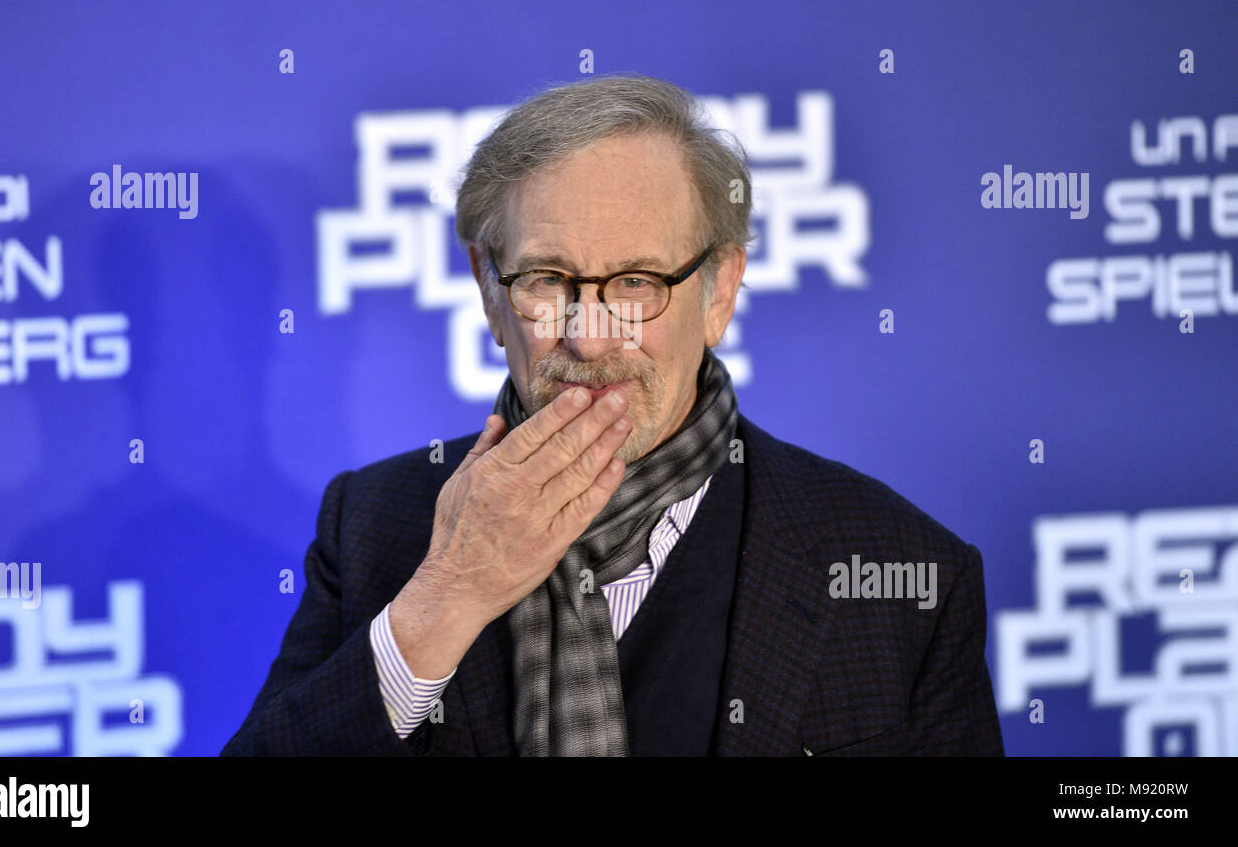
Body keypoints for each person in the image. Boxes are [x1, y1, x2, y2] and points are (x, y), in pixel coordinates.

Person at [222, 74, 1005, 757]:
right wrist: (448, 595)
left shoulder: (905, 573)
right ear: (490, 290)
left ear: (721, 289)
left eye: (636, 281)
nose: (590, 337)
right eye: (547, 278)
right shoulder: (372, 529)